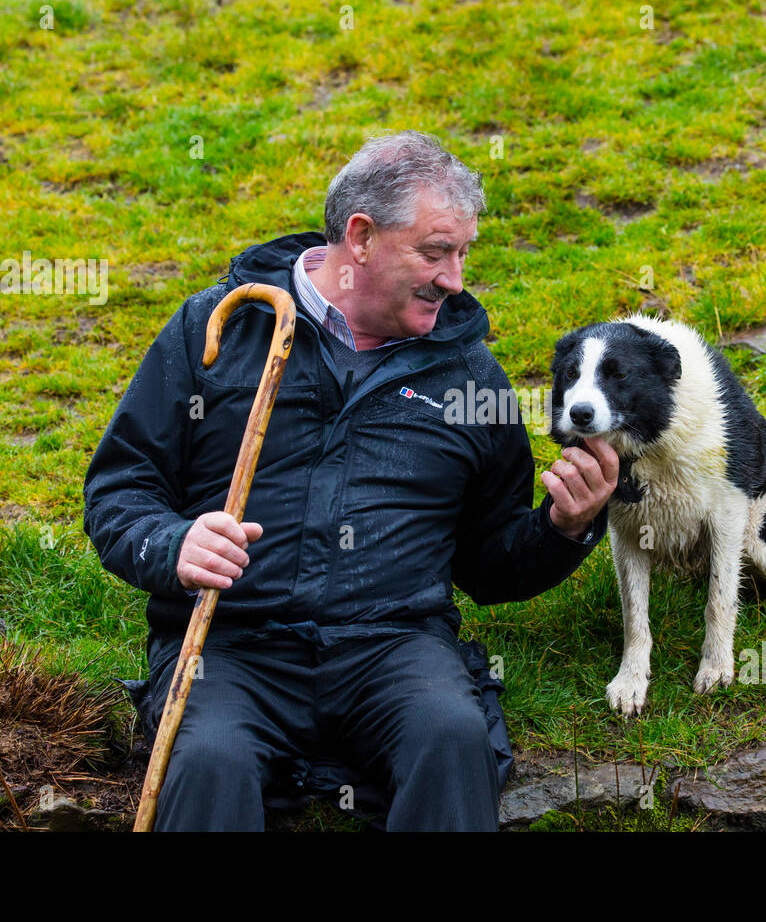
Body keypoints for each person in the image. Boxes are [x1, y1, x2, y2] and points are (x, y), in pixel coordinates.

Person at [83, 130, 618, 831]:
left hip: (395, 647)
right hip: (231, 644)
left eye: (463, 254)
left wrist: (564, 528)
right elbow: (120, 489)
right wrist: (173, 544)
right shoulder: (218, 330)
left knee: (453, 738)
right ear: (361, 237)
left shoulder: (469, 377)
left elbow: (489, 563)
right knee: (208, 760)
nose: (454, 280)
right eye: (435, 252)